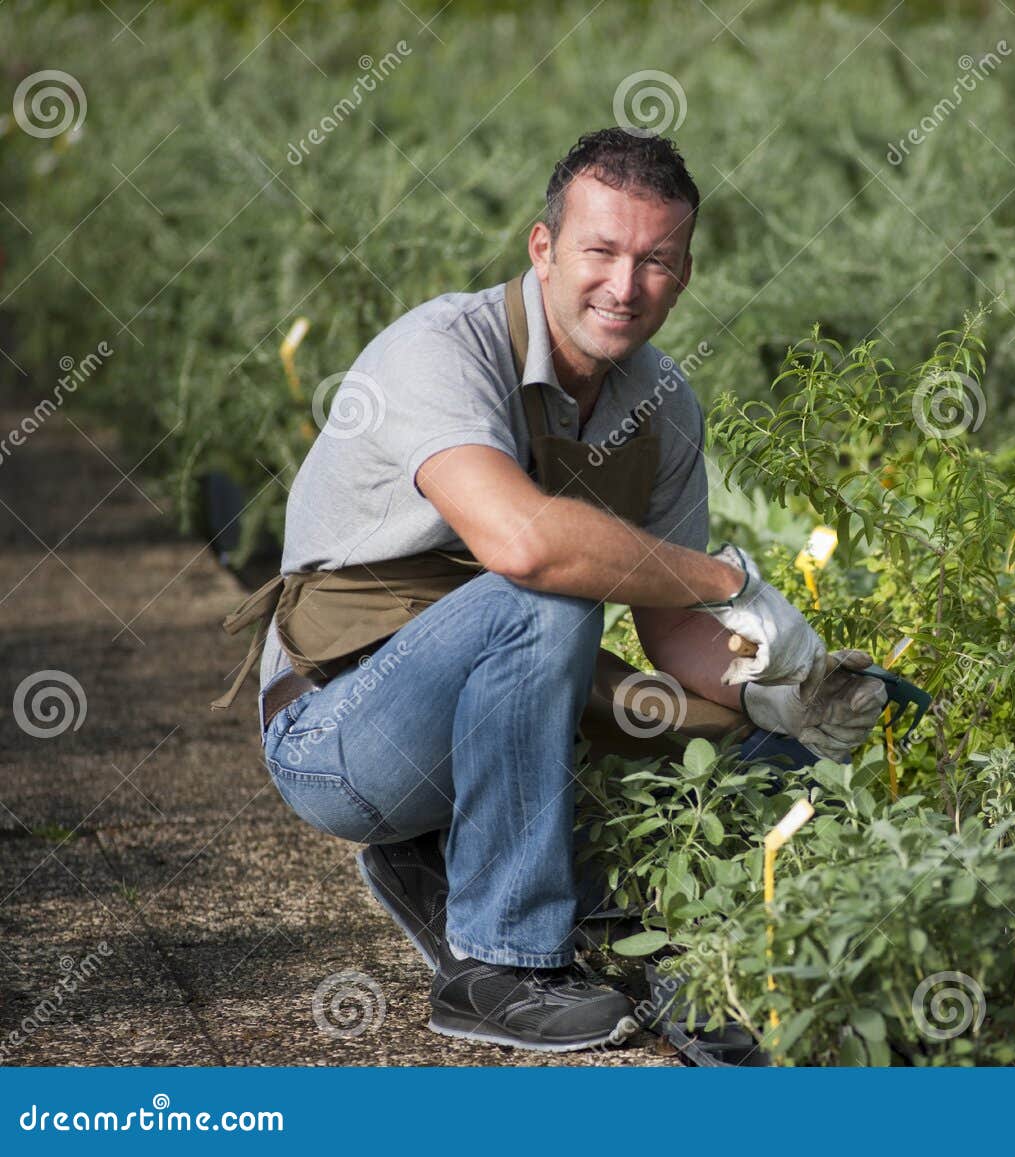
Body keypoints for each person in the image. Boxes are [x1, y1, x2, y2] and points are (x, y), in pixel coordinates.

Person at [209, 127, 886, 1053]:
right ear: (543, 249)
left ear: (684, 273)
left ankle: (433, 857)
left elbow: (673, 628)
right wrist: (735, 581)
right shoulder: (440, 351)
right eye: (600, 251)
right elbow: (521, 544)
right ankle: (497, 967)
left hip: (477, 718)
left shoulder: (662, 407)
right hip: (333, 735)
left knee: (744, 744)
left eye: (656, 260)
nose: (624, 284)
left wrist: (784, 685)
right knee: (546, 595)